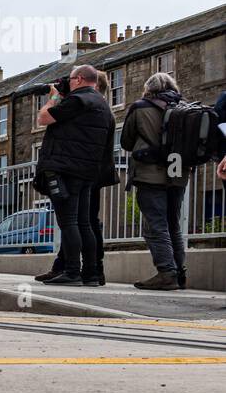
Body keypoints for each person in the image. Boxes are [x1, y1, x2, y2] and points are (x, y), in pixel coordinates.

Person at [37, 72, 119, 285]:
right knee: (84, 223)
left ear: (80, 79)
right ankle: (91, 273)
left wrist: (54, 97)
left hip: (66, 170)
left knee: (69, 221)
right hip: (89, 172)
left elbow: (43, 118)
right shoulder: (103, 105)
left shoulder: (78, 100)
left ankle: (72, 271)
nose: (69, 82)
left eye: (72, 79)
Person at [121, 73, 189, 290]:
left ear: (148, 88)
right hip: (178, 173)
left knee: (155, 226)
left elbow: (126, 141)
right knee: (173, 224)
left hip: (150, 174)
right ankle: (179, 273)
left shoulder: (140, 107)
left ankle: (166, 273)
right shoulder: (185, 108)